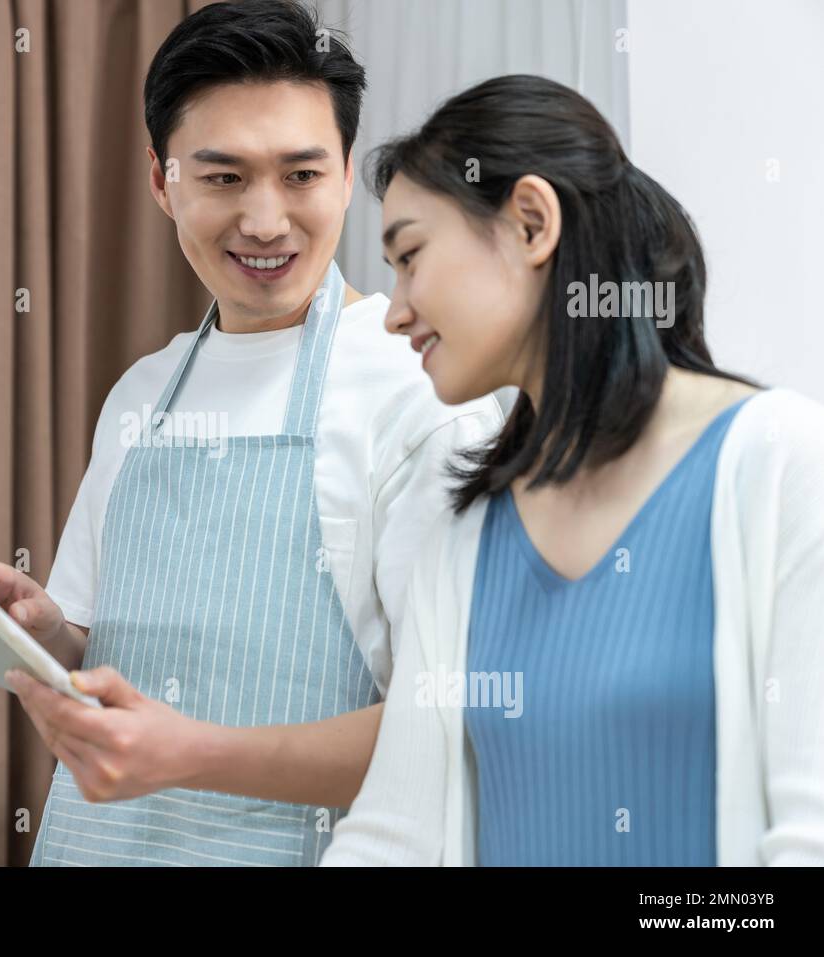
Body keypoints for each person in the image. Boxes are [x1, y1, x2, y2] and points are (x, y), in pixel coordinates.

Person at [0, 0, 501, 867]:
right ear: (162, 183)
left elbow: (447, 728)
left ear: (349, 174)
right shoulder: (144, 394)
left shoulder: (420, 392)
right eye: (224, 177)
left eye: (302, 175)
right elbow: (100, 655)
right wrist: (42, 631)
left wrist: (195, 754)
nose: (267, 220)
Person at [322, 74, 824, 866]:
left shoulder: (779, 464)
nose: (395, 309)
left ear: (530, 222)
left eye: (410, 257)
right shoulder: (466, 536)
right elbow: (393, 838)